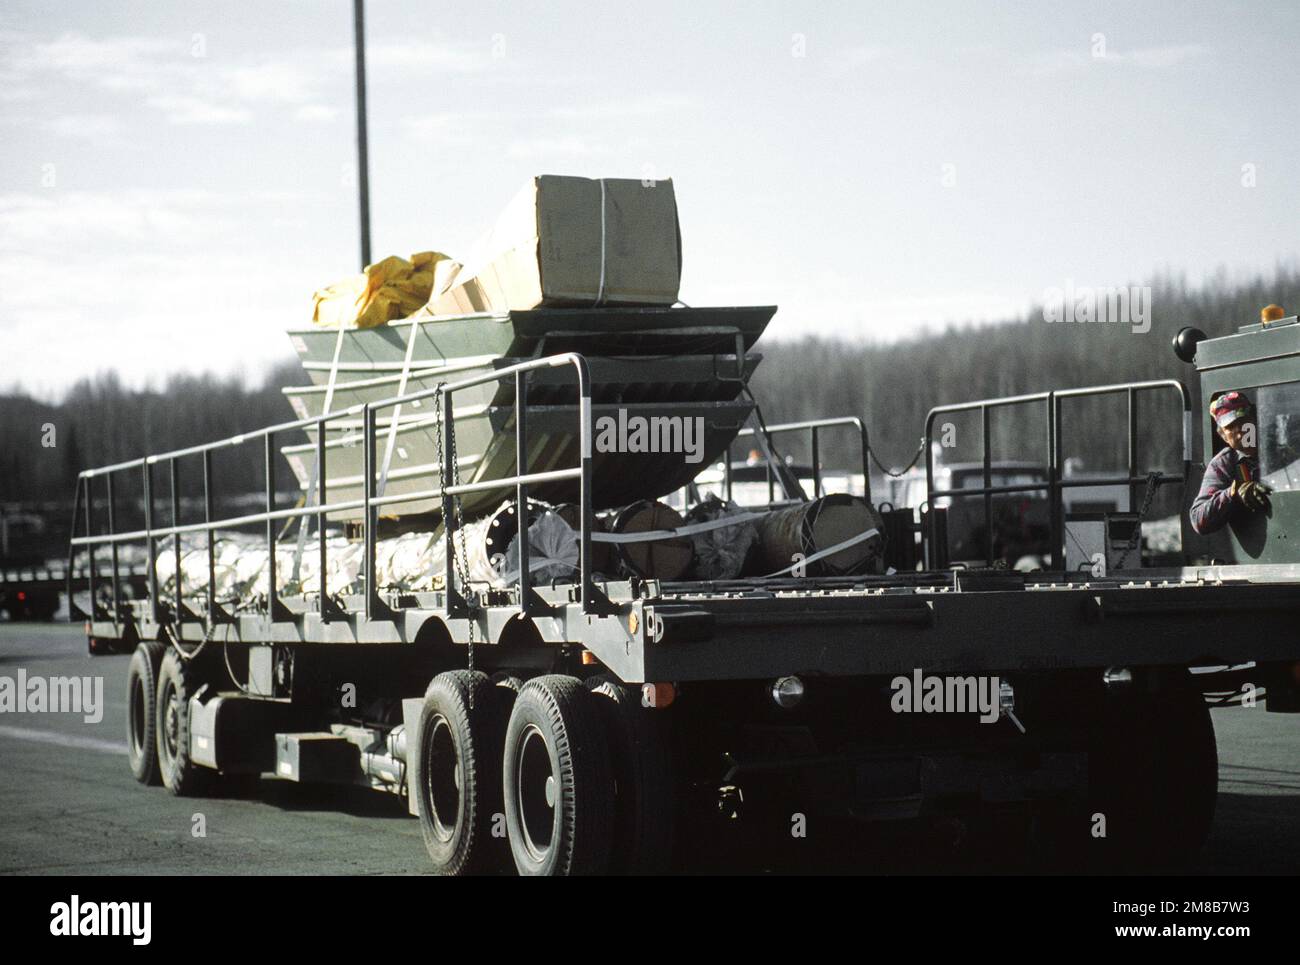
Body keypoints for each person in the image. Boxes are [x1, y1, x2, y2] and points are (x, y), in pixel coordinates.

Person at [1189, 390, 1272, 535]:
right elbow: (1198, 519)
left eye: (1243, 422)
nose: (1240, 432)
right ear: (1223, 436)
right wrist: (1233, 493)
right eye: (1230, 427)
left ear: (1255, 419)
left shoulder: (1278, 447)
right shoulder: (1223, 463)